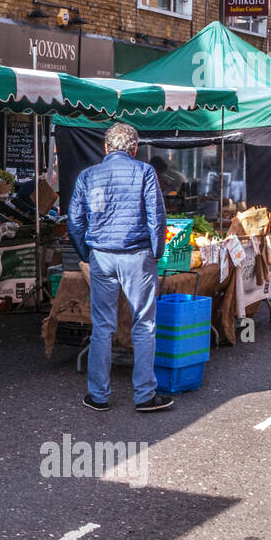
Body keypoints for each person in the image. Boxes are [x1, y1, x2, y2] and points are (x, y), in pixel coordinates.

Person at [67, 122, 172, 413]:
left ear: (105, 147)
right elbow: (156, 217)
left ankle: (98, 395)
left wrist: (86, 253)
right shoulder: (144, 172)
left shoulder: (88, 175)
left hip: (101, 255)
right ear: (135, 148)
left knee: (102, 326)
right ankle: (145, 395)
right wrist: (156, 252)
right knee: (144, 324)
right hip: (137, 255)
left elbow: (74, 221)